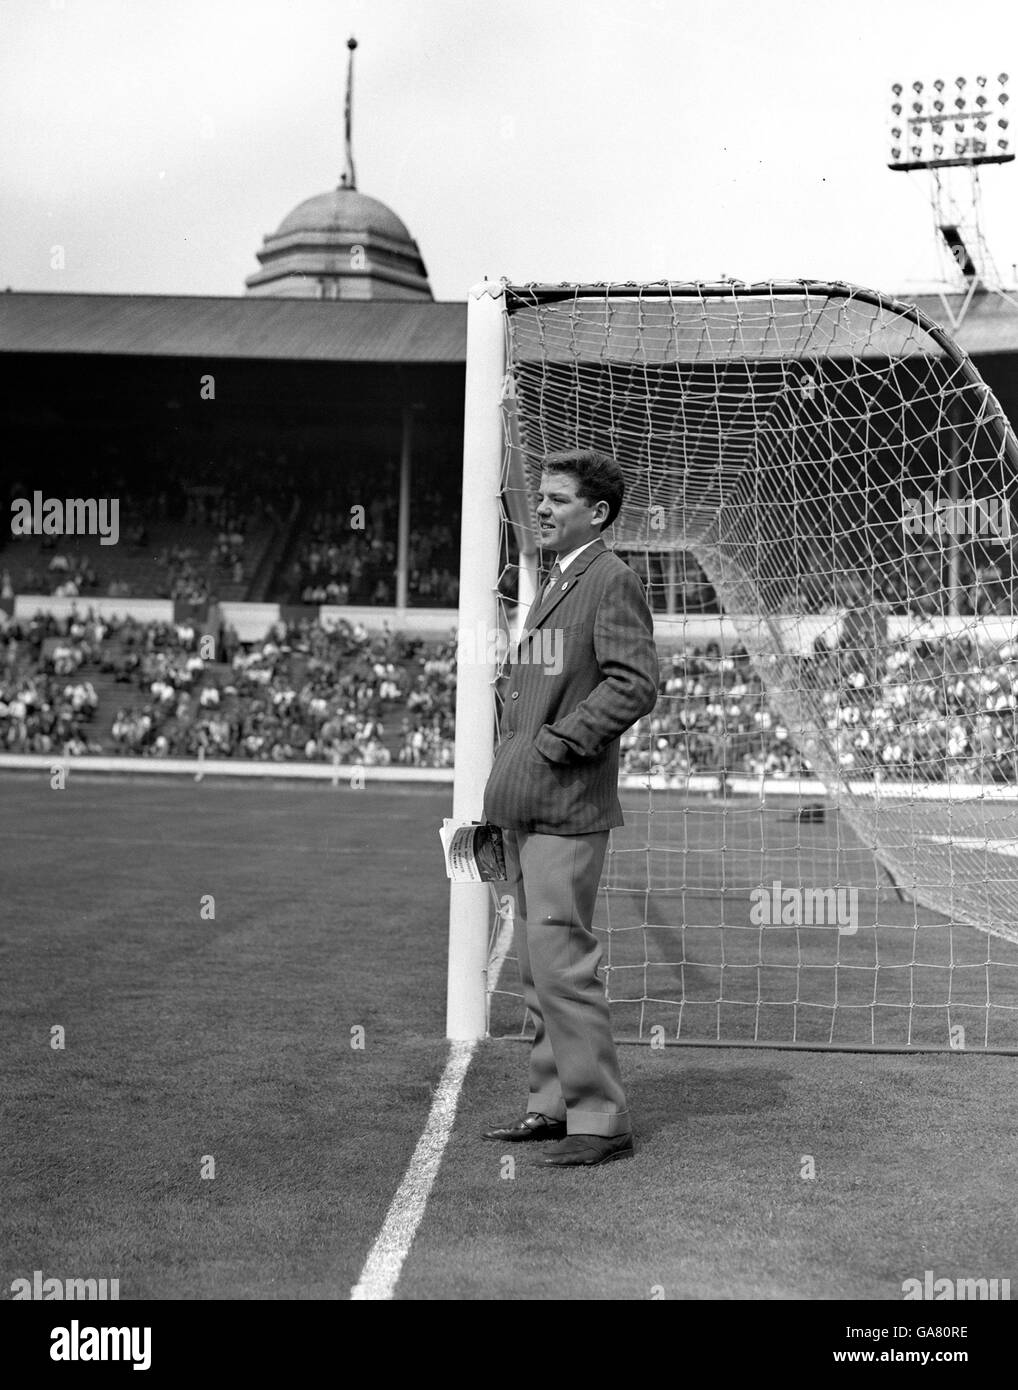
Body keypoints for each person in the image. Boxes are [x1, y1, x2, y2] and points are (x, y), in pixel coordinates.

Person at [481, 449, 659, 1166]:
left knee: (563, 964)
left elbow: (635, 683)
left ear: (599, 513)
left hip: (567, 803)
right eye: (542, 497)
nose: (543, 508)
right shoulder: (560, 578)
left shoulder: (610, 578)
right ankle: (551, 1104)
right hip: (530, 804)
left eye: (557, 498)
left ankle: (599, 1120)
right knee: (538, 969)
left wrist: (558, 745)